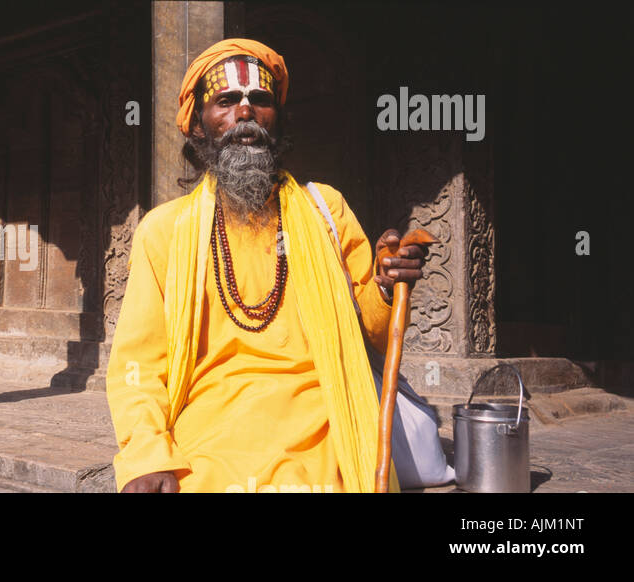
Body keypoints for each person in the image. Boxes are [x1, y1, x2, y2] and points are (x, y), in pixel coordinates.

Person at [105, 39, 428, 493]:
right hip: (210, 435)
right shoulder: (163, 231)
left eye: (260, 100)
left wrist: (384, 286)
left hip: (324, 427)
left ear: (278, 120)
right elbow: (137, 365)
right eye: (226, 101)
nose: (244, 113)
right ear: (198, 127)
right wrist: (145, 455)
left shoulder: (327, 211)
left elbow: (377, 333)